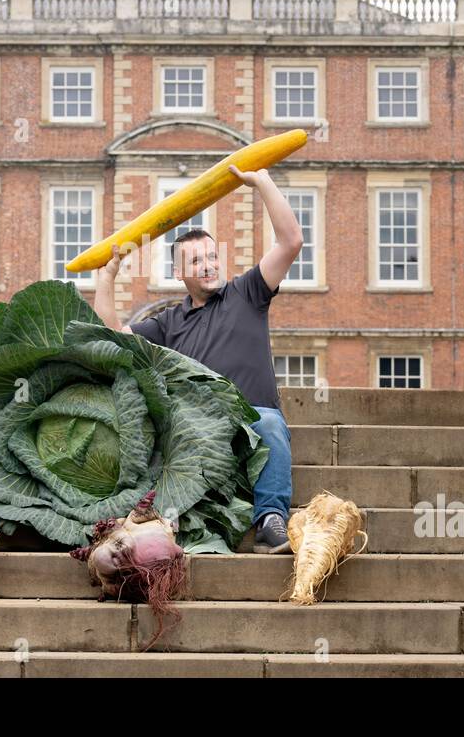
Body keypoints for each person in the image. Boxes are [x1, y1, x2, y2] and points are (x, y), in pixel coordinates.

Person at [93, 164, 305, 553]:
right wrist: (107, 276)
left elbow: (290, 241)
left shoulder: (248, 293)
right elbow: (114, 334)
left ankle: (271, 521)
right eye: (195, 261)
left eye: (211, 256)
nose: (207, 264)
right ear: (178, 273)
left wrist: (261, 181)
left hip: (254, 419)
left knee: (272, 423)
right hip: (200, 429)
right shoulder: (168, 323)